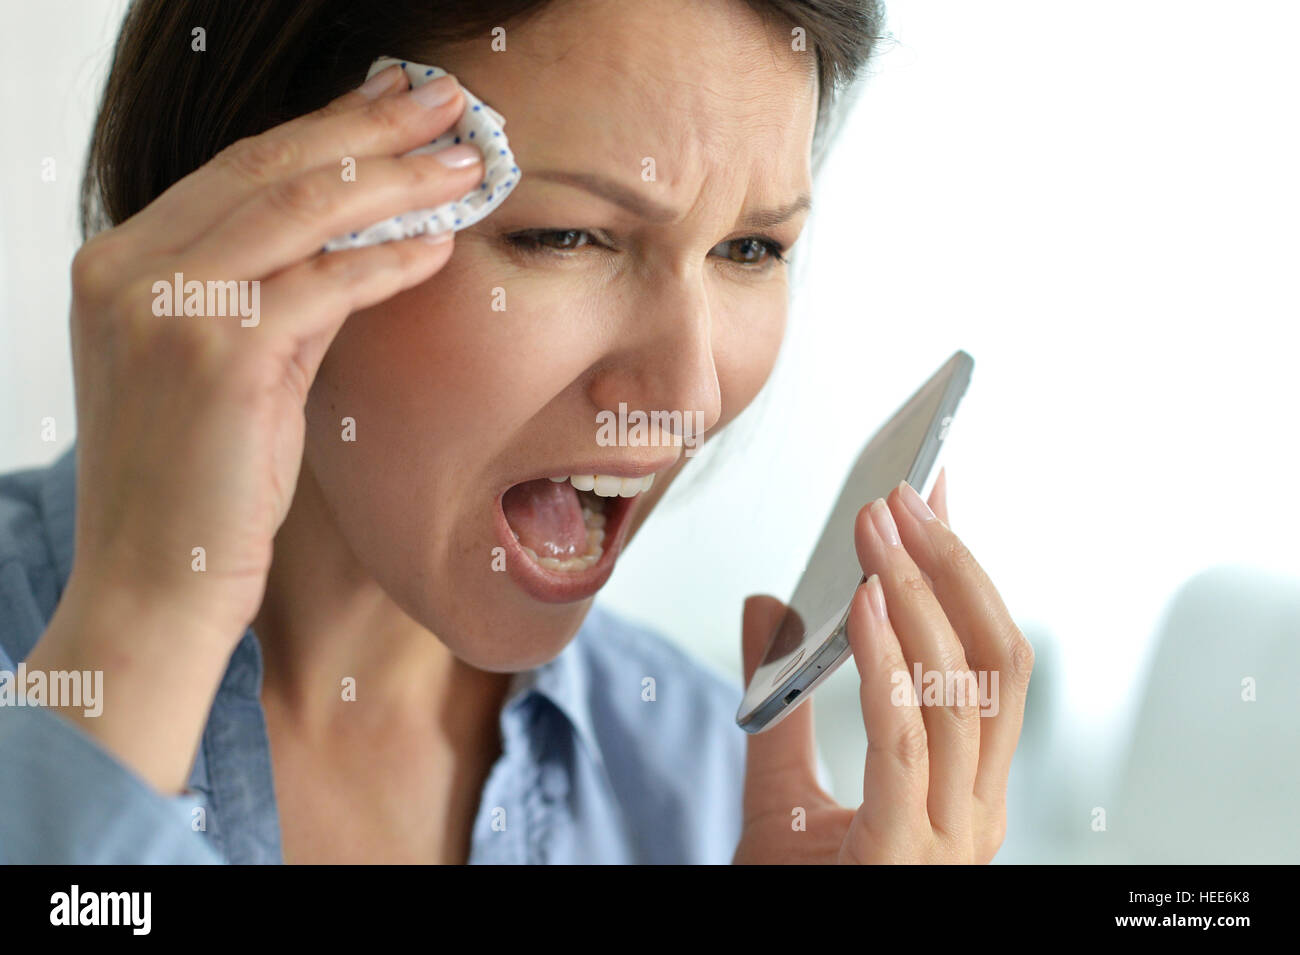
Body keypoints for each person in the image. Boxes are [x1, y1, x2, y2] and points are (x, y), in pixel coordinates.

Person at [0, 0, 1032, 864]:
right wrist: (138, 628)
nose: (688, 393)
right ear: (262, 199)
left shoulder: (709, 801)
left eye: (751, 247)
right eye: (561, 235)